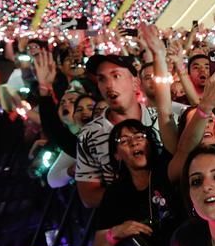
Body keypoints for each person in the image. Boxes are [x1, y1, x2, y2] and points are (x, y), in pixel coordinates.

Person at [75, 53, 186, 208]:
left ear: (135, 83)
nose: (109, 85)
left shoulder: (166, 121)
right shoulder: (89, 134)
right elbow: (88, 196)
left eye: (116, 76)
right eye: (102, 79)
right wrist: (135, 198)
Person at [91, 120, 182, 246]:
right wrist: (115, 233)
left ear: (150, 143)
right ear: (117, 154)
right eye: (124, 141)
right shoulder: (115, 194)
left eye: (139, 136)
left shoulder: (167, 170)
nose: (134, 143)